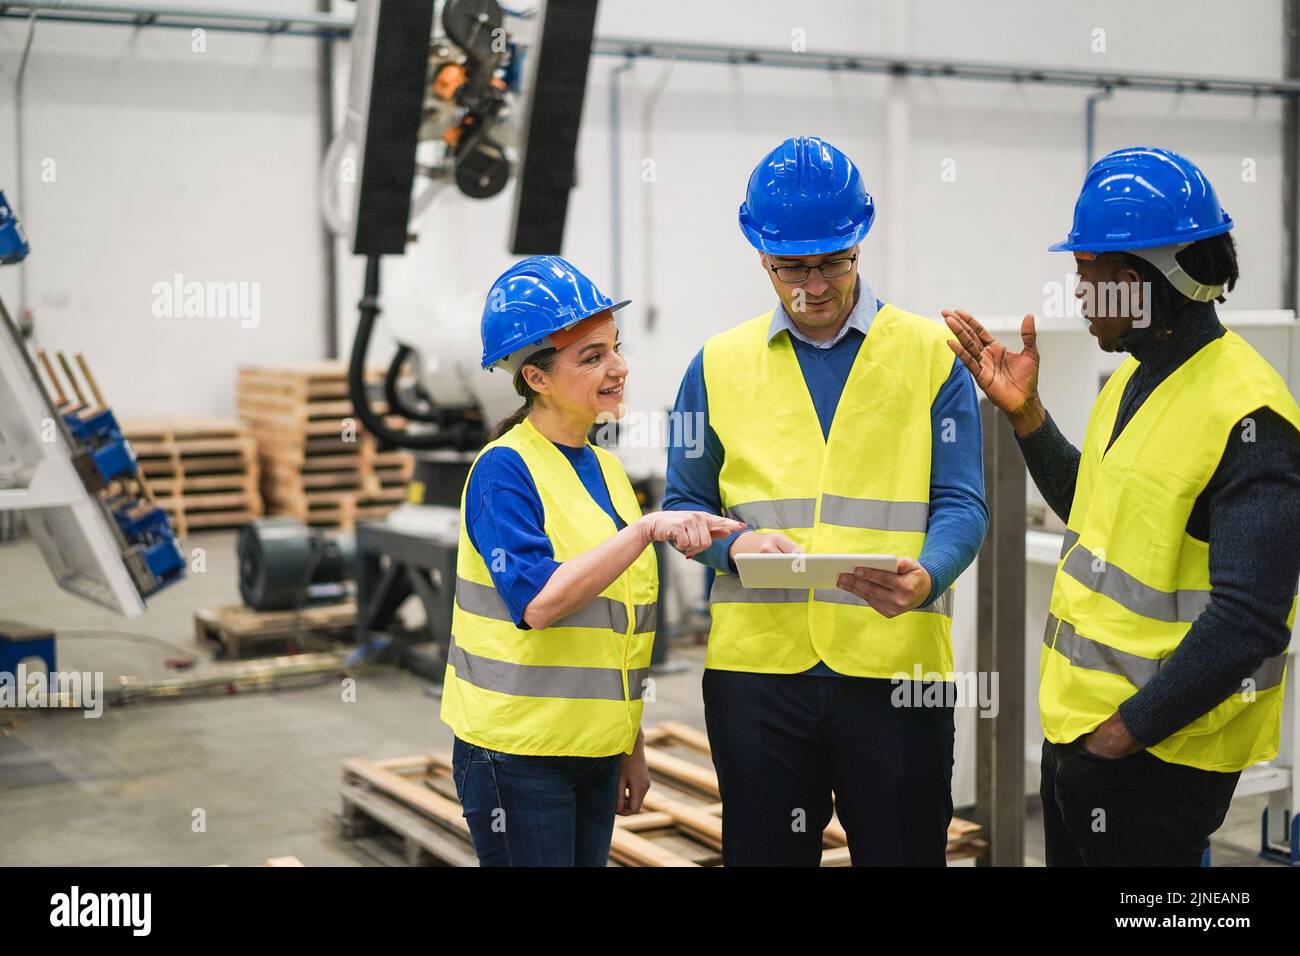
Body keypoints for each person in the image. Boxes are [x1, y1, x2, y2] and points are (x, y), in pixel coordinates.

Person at [945, 145, 1300, 866]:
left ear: (1144, 281)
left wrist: (1123, 735)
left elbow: (1250, 622)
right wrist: (1029, 419)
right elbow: (1094, 508)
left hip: (1158, 760)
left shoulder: (1249, 417)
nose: (1077, 294)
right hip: (1087, 743)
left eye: (1088, 275)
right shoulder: (1132, 382)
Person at [663, 136, 989, 866]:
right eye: (791, 268)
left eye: (830, 264)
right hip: (758, 679)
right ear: (761, 257)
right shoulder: (714, 365)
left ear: (859, 245)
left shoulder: (932, 355)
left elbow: (963, 502)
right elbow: (683, 503)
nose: (812, 284)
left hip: (897, 667)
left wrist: (929, 574)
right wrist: (734, 545)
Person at [441, 255, 744, 866]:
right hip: (518, 757)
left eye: (615, 348)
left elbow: (615, 630)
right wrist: (646, 530)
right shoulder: (505, 471)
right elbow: (539, 602)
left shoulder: (604, 468)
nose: (619, 368)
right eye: (592, 357)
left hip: (593, 753)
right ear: (536, 378)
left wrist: (628, 745)